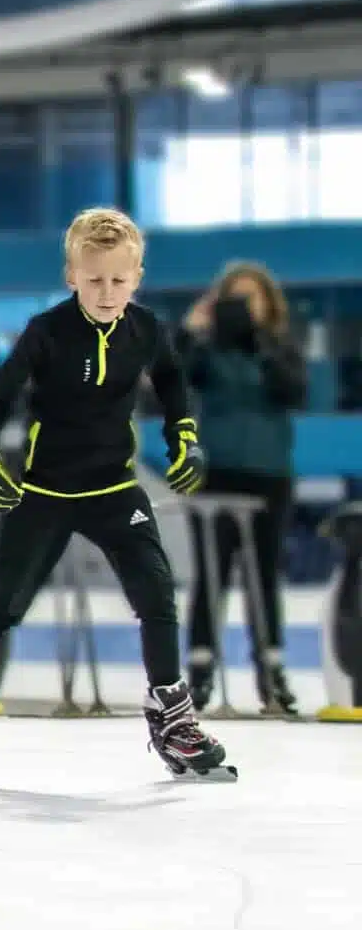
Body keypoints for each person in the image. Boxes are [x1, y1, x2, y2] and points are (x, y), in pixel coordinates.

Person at [0, 208, 229, 781]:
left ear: (137, 277)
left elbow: (173, 381)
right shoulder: (46, 332)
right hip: (45, 489)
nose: (107, 292)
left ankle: (171, 715)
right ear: (72, 275)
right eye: (94, 279)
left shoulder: (146, 328)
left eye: (119, 280)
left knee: (157, 593)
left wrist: (186, 440)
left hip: (115, 488)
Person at [179, 261, 305, 713]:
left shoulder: (280, 347)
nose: (244, 308)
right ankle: (198, 674)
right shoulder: (207, 351)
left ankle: (271, 672)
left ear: (269, 304)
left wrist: (263, 346)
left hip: (270, 475)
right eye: (236, 298)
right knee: (210, 578)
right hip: (216, 472)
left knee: (264, 578)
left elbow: (294, 392)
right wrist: (191, 332)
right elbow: (170, 380)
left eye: (253, 298)